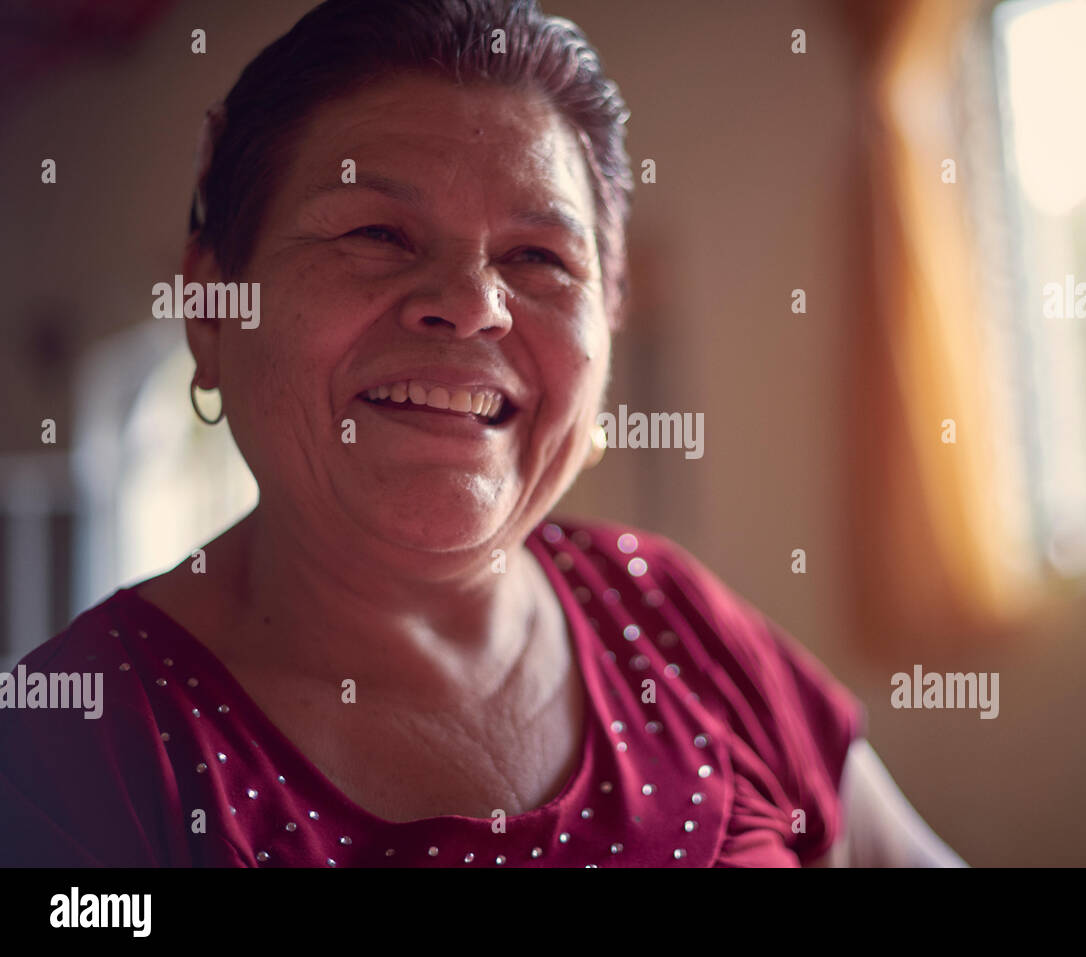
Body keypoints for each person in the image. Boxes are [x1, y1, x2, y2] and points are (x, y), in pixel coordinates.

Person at [0, 0, 962, 868]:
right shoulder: (74, 746)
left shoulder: (672, 617)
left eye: (539, 257)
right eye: (374, 233)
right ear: (212, 312)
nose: (469, 305)